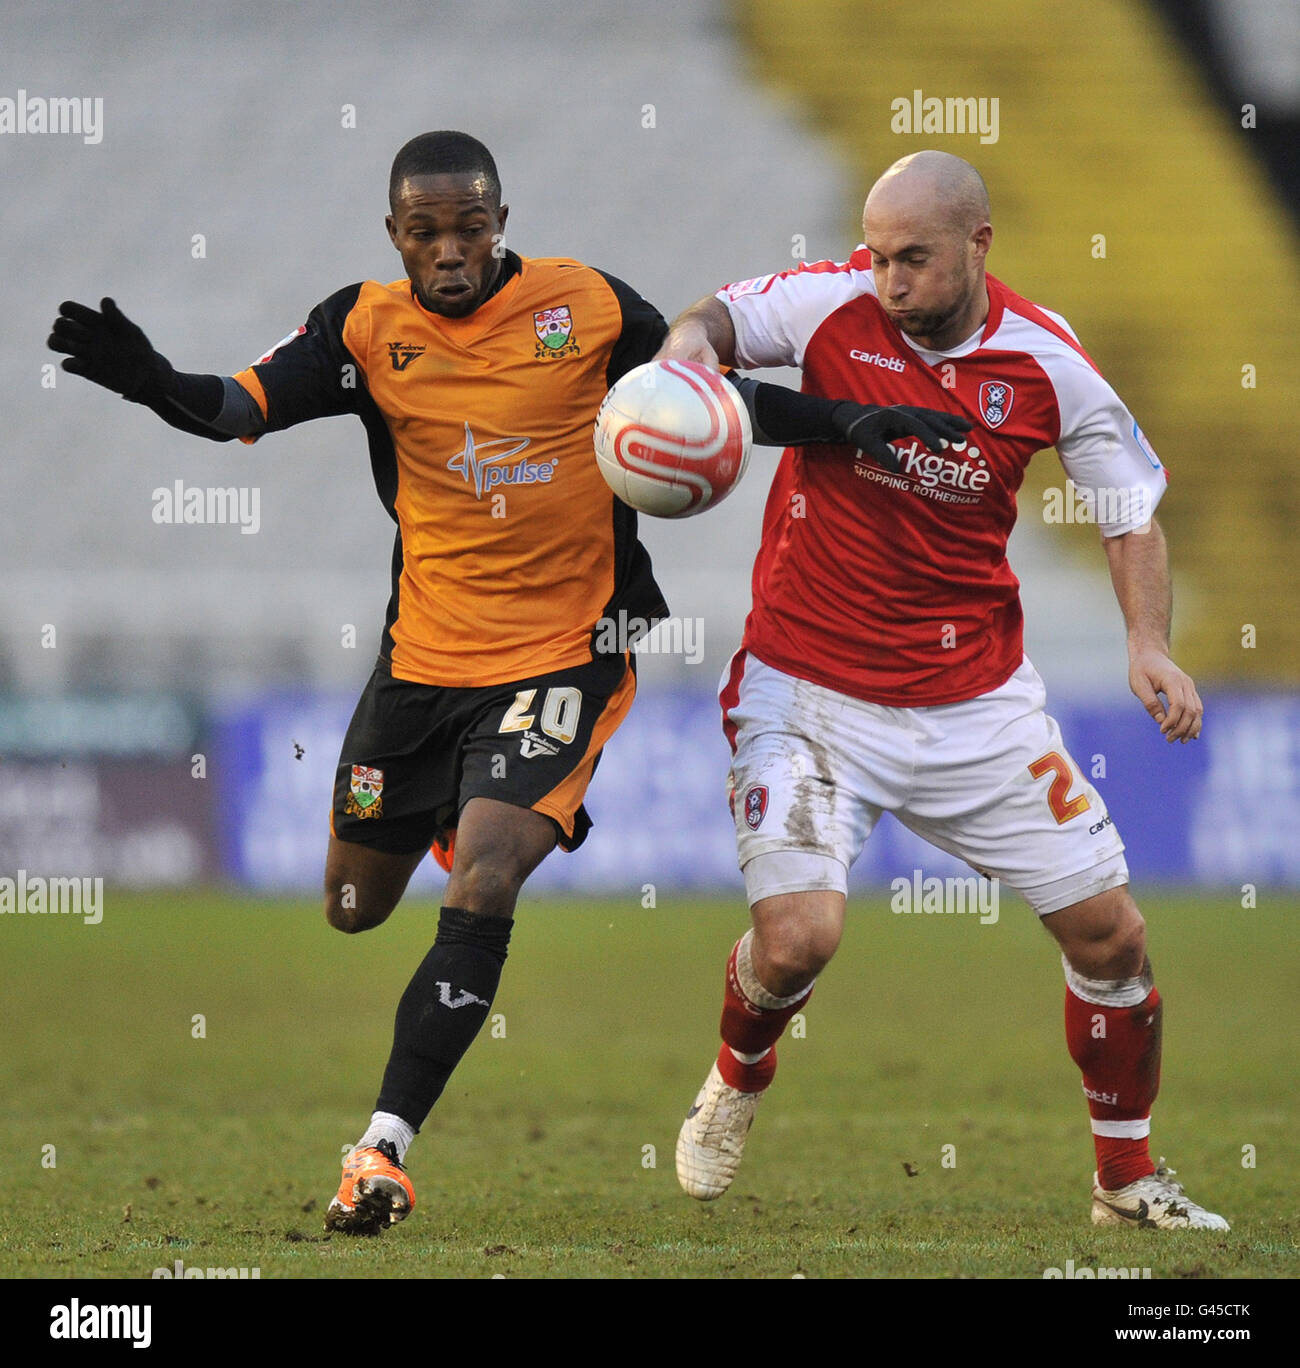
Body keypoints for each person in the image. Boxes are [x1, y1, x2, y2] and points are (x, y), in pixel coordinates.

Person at [48, 131, 968, 1236]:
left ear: (500, 223)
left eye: (469, 229)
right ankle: (452, 813)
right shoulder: (361, 326)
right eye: (425, 232)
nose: (449, 252)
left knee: (483, 876)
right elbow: (234, 406)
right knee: (350, 908)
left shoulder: (584, 307)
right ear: (395, 236)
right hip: (420, 667)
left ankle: (381, 1152)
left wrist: (845, 423)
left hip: (568, 653)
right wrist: (154, 381)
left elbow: (710, 397)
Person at [659, 149, 1227, 1230]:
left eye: (912, 258)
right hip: (808, 688)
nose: (889, 281)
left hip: (976, 704)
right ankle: (737, 1077)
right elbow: (710, 324)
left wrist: (1147, 644)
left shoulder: (1049, 364)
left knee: (1113, 938)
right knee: (796, 943)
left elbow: (1127, 513)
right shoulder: (830, 305)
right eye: (876, 257)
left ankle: (1123, 1181)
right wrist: (681, 371)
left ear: (979, 245)